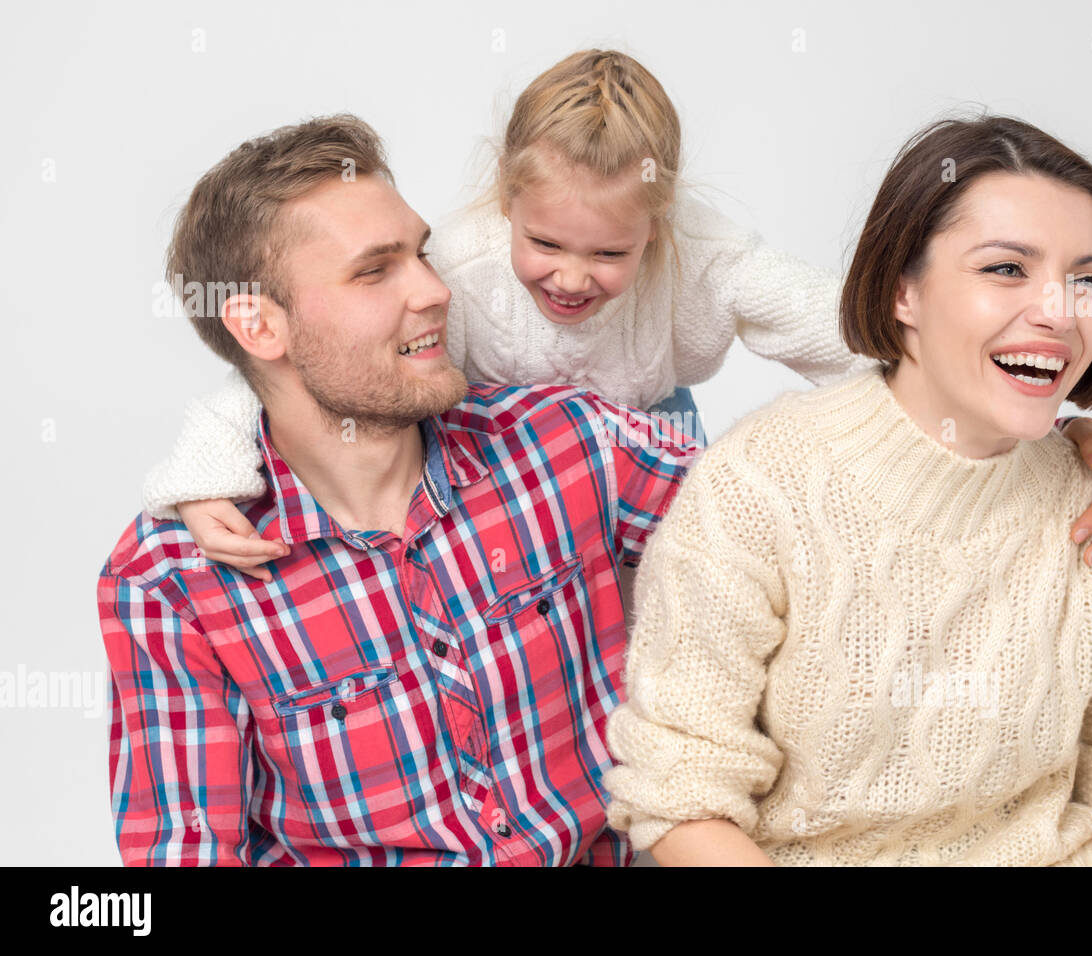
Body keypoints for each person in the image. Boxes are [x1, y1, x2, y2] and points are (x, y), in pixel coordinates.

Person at [137, 50, 1092, 593]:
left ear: (661, 224)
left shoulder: (710, 263)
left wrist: (1049, 410)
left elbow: (876, 333)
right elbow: (300, 367)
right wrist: (205, 469)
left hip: (647, 448)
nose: (573, 279)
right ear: (505, 205)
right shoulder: (452, 271)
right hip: (502, 475)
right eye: (545, 241)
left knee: (700, 616)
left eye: (610, 254)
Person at [601, 114, 1092, 866]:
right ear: (904, 290)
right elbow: (681, 795)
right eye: (1006, 269)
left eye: (1089, 281)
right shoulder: (756, 489)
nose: (1060, 313)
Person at [98, 114, 698, 865]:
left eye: (421, 254)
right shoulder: (168, 580)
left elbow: (799, 526)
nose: (436, 291)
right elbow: (184, 852)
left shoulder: (569, 443)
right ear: (258, 328)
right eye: (374, 271)